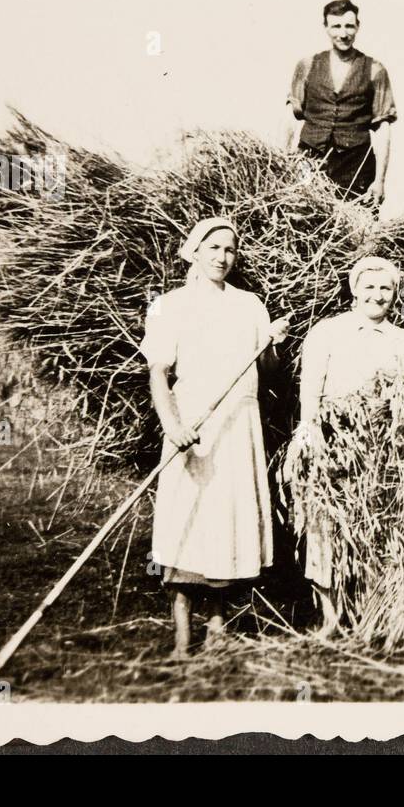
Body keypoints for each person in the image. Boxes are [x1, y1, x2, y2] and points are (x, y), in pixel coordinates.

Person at [140, 217, 290, 660]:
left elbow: (267, 373)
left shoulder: (250, 305)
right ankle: (183, 635)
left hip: (239, 421)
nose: (223, 256)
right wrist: (172, 423)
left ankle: (218, 628)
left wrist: (273, 344)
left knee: (226, 519)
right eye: (214, 247)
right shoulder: (171, 305)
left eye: (230, 249)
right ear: (195, 251)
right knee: (187, 515)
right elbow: (158, 373)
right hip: (193, 421)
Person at [289, 256, 404, 635]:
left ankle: (369, 612)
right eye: (370, 287)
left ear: (395, 295)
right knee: (326, 525)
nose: (377, 296)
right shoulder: (327, 332)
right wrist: (310, 433)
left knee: (375, 524)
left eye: (385, 289)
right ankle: (331, 617)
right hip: (332, 439)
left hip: (381, 445)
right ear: (354, 289)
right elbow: (310, 388)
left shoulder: (401, 341)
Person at [285, 0, 398, 209]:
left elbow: (383, 127)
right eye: (336, 26)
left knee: (355, 233)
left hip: (355, 166)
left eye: (349, 26)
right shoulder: (307, 65)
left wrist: (380, 181)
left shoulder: (375, 70)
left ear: (358, 27)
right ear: (326, 28)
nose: (343, 33)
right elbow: (292, 116)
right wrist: (282, 161)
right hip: (309, 162)